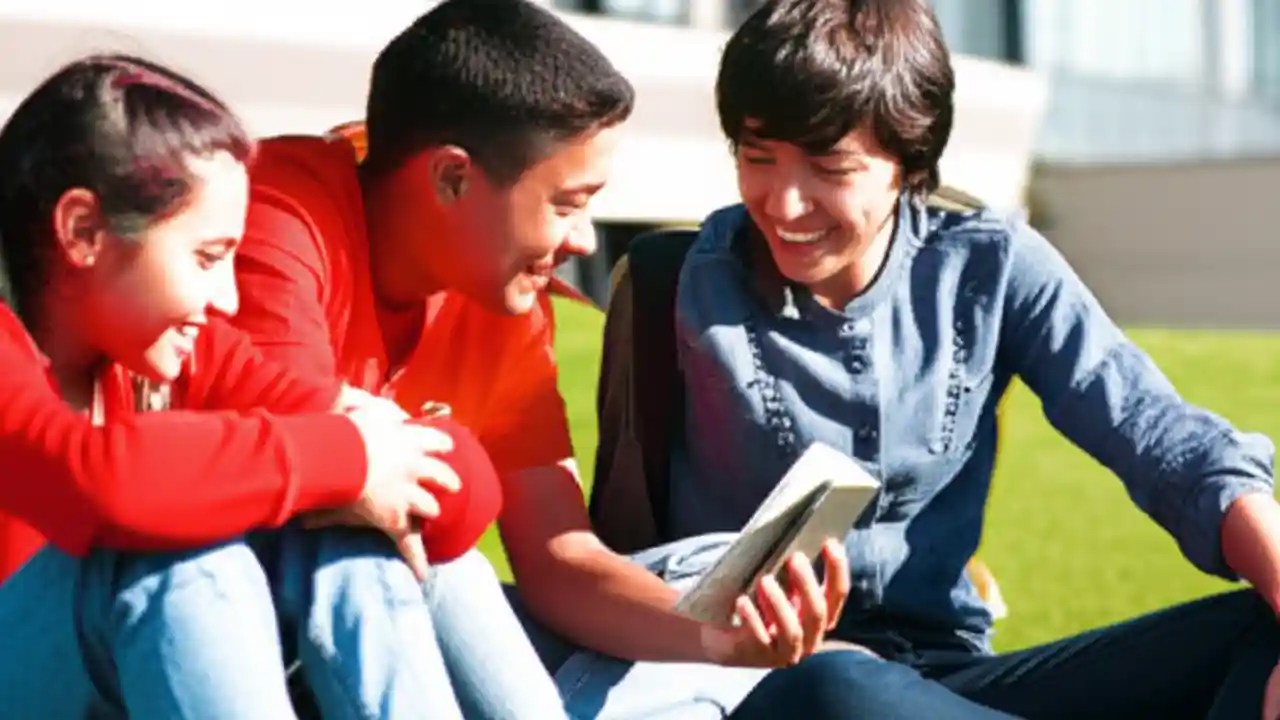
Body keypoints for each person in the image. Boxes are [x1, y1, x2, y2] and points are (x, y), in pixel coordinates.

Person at [636, 0, 1280, 717]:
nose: (784, 203)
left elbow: (1153, 430)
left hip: (949, 681)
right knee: (844, 691)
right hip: (770, 681)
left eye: (829, 167)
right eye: (757, 158)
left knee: (1262, 629)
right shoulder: (691, 282)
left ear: (909, 160)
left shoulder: (987, 265)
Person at [229, 1, 851, 717]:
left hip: (390, 620)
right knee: (400, 551)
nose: (585, 241)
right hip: (235, 619)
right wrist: (449, 476)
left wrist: (724, 636)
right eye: (568, 203)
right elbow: (320, 472)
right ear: (453, 179)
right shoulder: (280, 215)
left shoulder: (504, 302)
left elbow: (560, 559)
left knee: (702, 574)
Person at [0, 53, 518, 720]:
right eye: (208, 258)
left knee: (347, 533)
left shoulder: (187, 355)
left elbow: (459, 485)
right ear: (83, 231)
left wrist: (363, 467)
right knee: (182, 561)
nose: (227, 297)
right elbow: (101, 482)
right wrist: (351, 456)